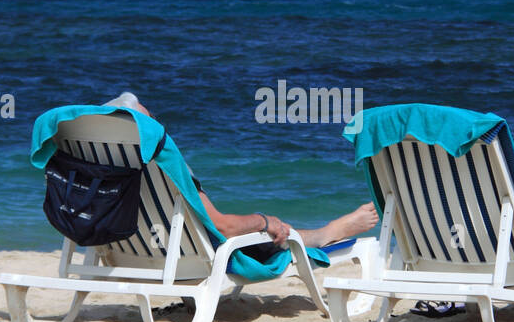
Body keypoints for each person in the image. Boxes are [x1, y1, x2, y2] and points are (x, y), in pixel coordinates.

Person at [103, 92, 378, 250]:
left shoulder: (96, 166)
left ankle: (319, 232)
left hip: (142, 247)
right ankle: (325, 233)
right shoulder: (165, 162)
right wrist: (264, 221)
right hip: (193, 251)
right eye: (152, 119)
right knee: (275, 230)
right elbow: (225, 227)